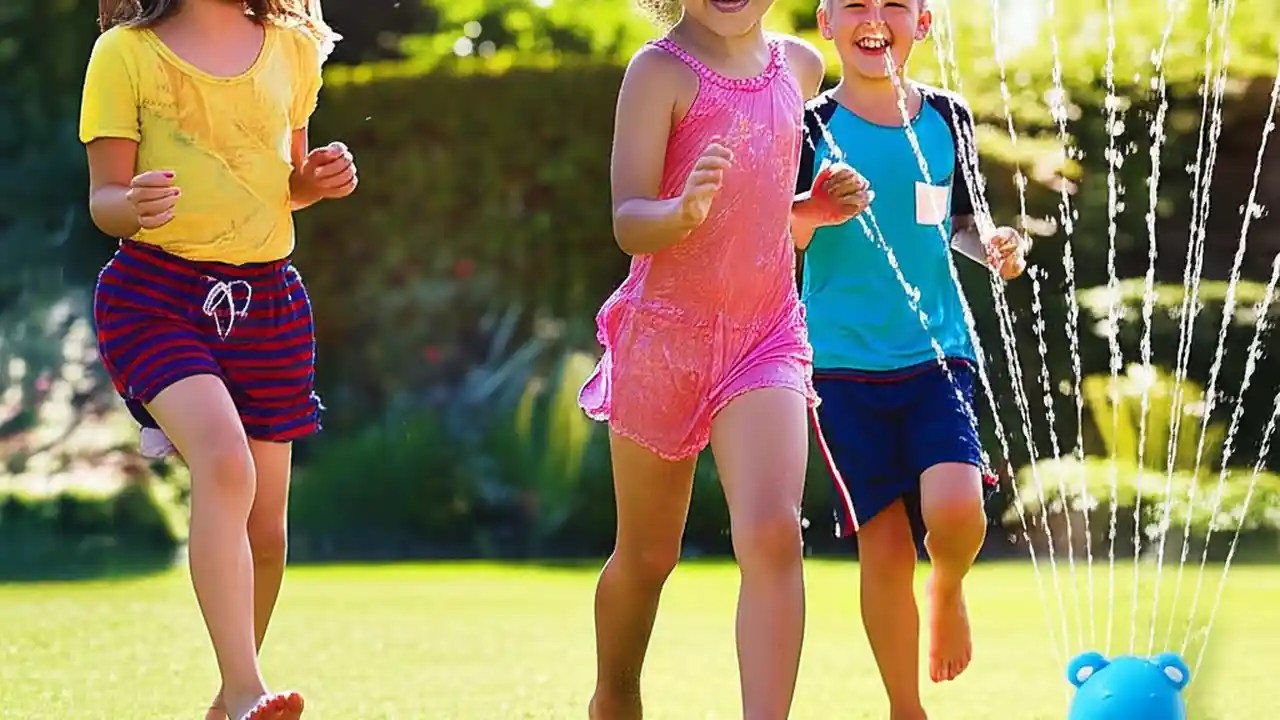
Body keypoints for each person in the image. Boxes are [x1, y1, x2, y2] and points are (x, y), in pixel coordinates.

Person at [577, 1, 869, 718]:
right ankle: (615, 694)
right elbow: (628, 220)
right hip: (664, 342)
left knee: (772, 531)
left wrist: (812, 211)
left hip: (763, 336)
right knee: (648, 557)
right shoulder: (659, 72)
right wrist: (676, 214)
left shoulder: (800, 66)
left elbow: (767, 209)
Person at [82, 1, 357, 718]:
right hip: (155, 296)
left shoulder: (292, 50)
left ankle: (230, 703)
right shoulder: (125, 53)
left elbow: (285, 184)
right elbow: (104, 200)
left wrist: (317, 181)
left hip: (268, 303)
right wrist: (131, 202)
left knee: (267, 532)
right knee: (223, 461)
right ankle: (244, 691)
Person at [791, 1, 1029, 719]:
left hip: (937, 354)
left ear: (923, 23)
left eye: (894, 3)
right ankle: (905, 706)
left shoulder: (949, 116)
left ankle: (949, 587)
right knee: (885, 548)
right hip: (838, 366)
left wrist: (993, 243)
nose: (875, 17)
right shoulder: (808, 126)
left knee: (957, 506)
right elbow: (778, 233)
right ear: (826, 23)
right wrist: (814, 210)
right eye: (855, 4)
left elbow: (959, 218)